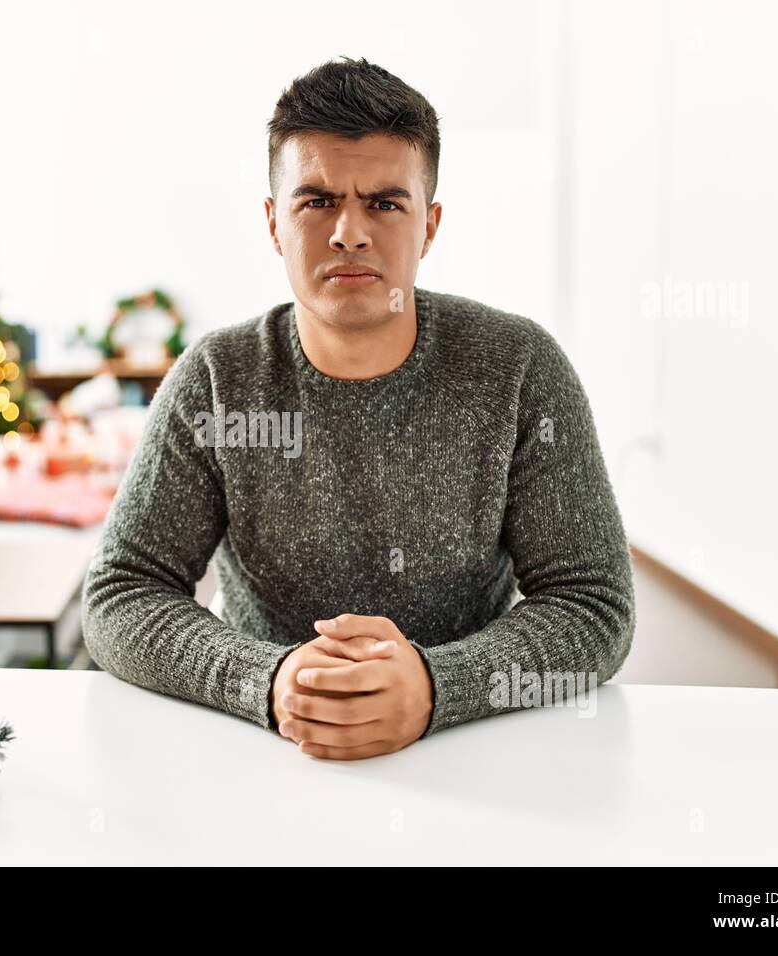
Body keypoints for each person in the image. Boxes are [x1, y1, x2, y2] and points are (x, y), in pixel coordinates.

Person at [82, 56, 635, 760]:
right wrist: (270, 677)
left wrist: (439, 687)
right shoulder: (217, 379)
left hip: (474, 756)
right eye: (316, 200)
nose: (349, 231)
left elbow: (594, 607)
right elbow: (121, 593)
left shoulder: (520, 368)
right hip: (264, 754)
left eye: (384, 202)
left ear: (429, 225)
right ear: (274, 223)